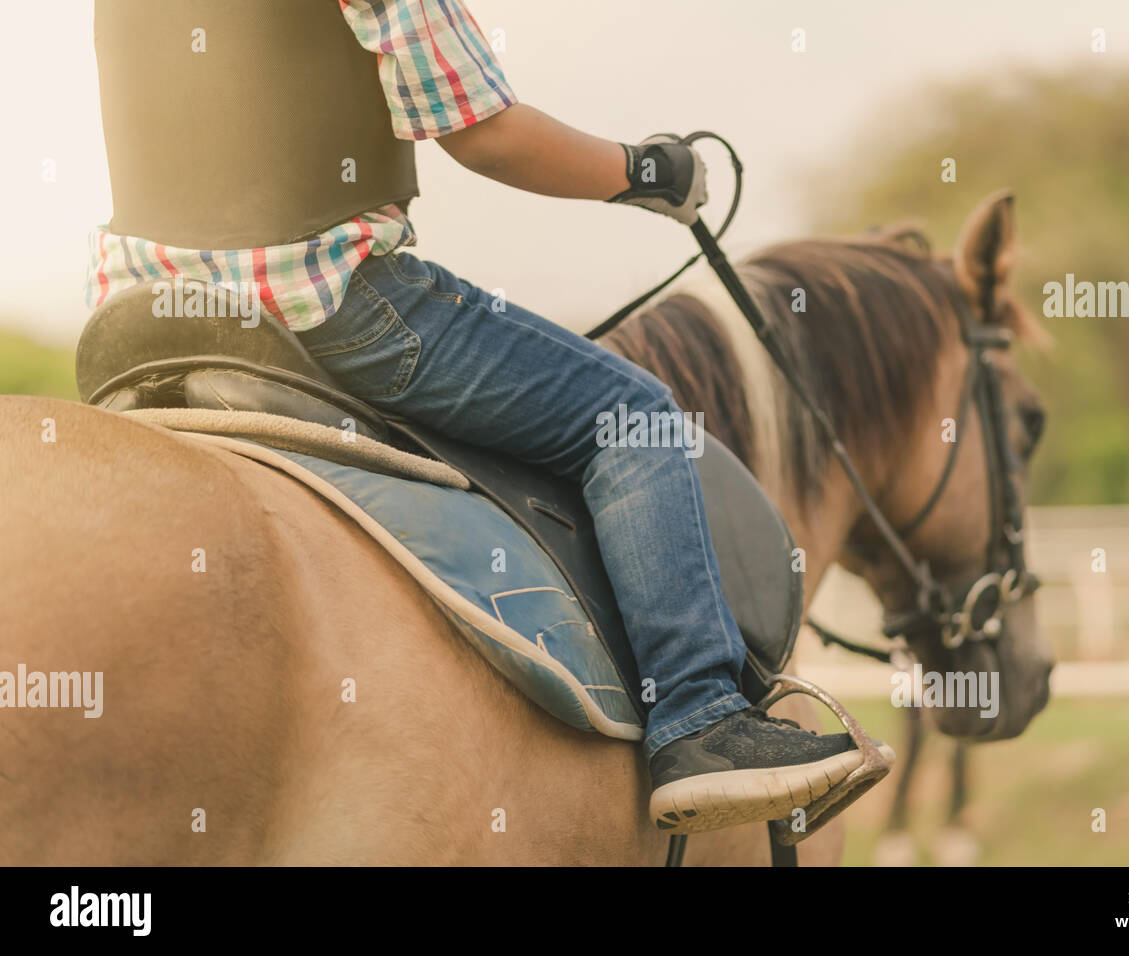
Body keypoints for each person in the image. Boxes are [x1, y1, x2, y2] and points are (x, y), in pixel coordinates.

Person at [87, 0, 858, 834]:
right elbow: (485, 134)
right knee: (635, 418)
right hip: (328, 307)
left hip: (142, 323)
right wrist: (643, 171)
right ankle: (700, 718)